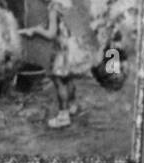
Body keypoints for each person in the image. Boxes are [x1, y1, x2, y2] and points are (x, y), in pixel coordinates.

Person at [18, 0, 99, 130]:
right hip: (73, 46)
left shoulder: (53, 7)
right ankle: (72, 105)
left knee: (59, 81)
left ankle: (63, 116)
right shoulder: (67, 3)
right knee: (69, 77)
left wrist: (36, 30)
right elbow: (66, 25)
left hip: (62, 49)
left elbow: (50, 34)